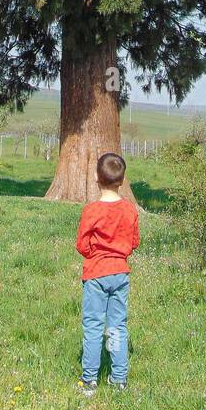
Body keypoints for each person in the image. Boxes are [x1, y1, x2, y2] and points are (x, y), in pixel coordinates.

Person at [76, 153, 139, 395]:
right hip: (120, 273)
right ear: (122, 181)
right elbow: (134, 242)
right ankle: (119, 378)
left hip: (96, 274)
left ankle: (90, 379)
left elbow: (82, 245)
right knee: (117, 326)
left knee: (93, 326)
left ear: (95, 178)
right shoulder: (130, 210)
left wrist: (95, 254)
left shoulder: (91, 211)